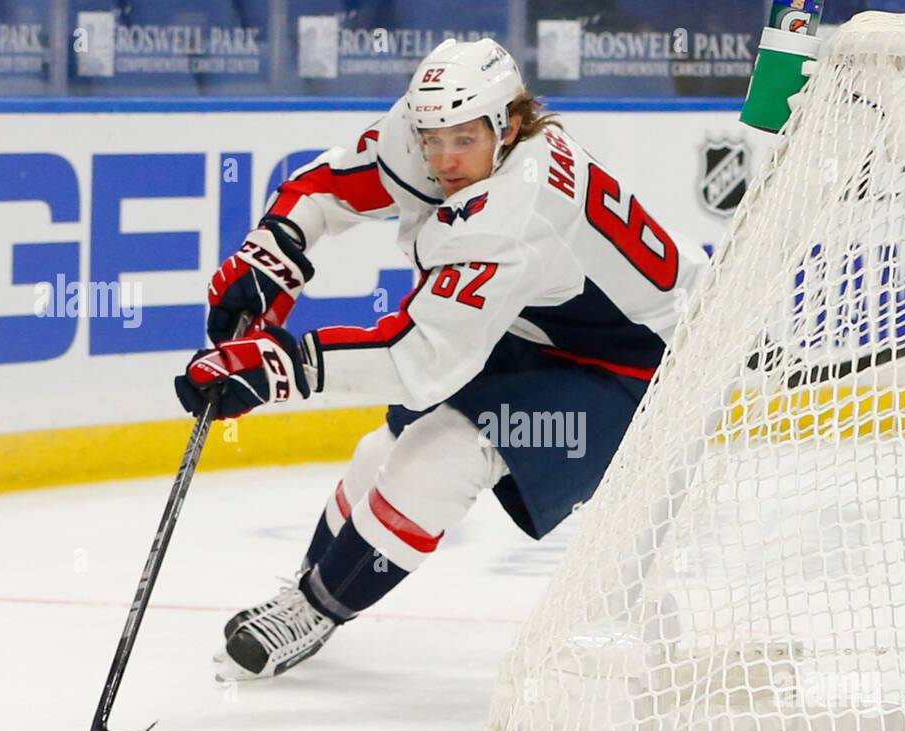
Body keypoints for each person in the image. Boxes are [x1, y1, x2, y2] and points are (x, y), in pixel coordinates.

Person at [174, 39, 707, 681]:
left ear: (509, 126)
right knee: (383, 450)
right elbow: (328, 187)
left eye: (464, 139)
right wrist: (273, 253)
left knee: (444, 454)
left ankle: (314, 611)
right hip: (543, 327)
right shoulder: (433, 135)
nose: (446, 159)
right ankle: (306, 592)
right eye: (433, 139)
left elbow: (420, 360)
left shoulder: (518, 211)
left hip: (648, 373)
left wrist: (279, 369)